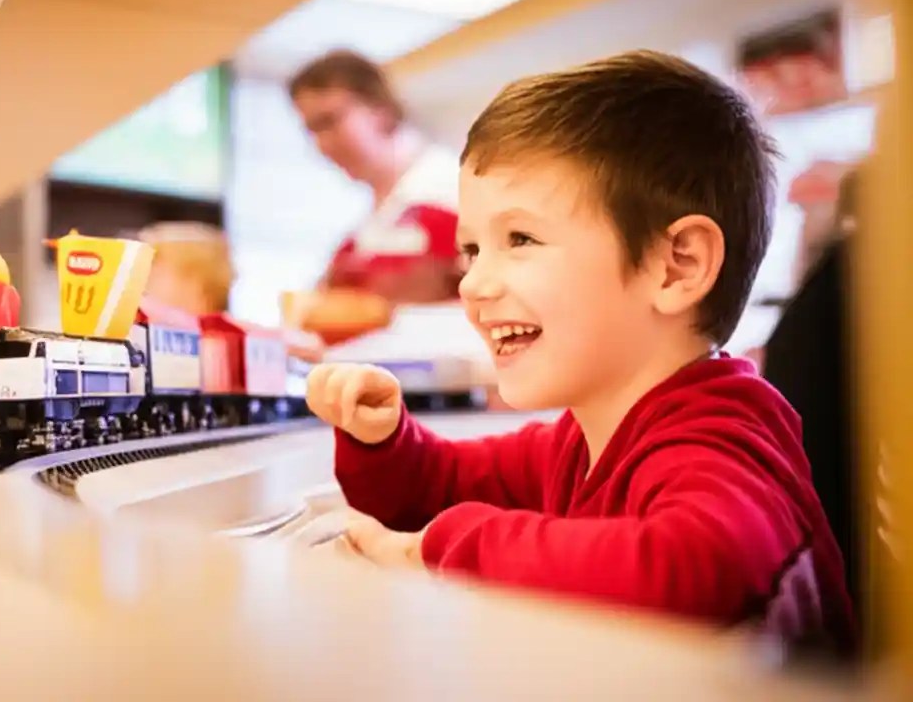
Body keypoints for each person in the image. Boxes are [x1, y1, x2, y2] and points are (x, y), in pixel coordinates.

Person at [306, 50, 856, 655]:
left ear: (677, 267)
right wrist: (384, 440)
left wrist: (436, 549)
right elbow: (441, 483)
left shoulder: (723, 435)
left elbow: (691, 570)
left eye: (519, 238)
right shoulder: (582, 438)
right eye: (471, 250)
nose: (473, 284)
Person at [285, 50, 462, 340]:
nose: (322, 143)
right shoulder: (368, 228)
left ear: (380, 109)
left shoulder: (452, 193)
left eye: (329, 121)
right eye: (312, 130)